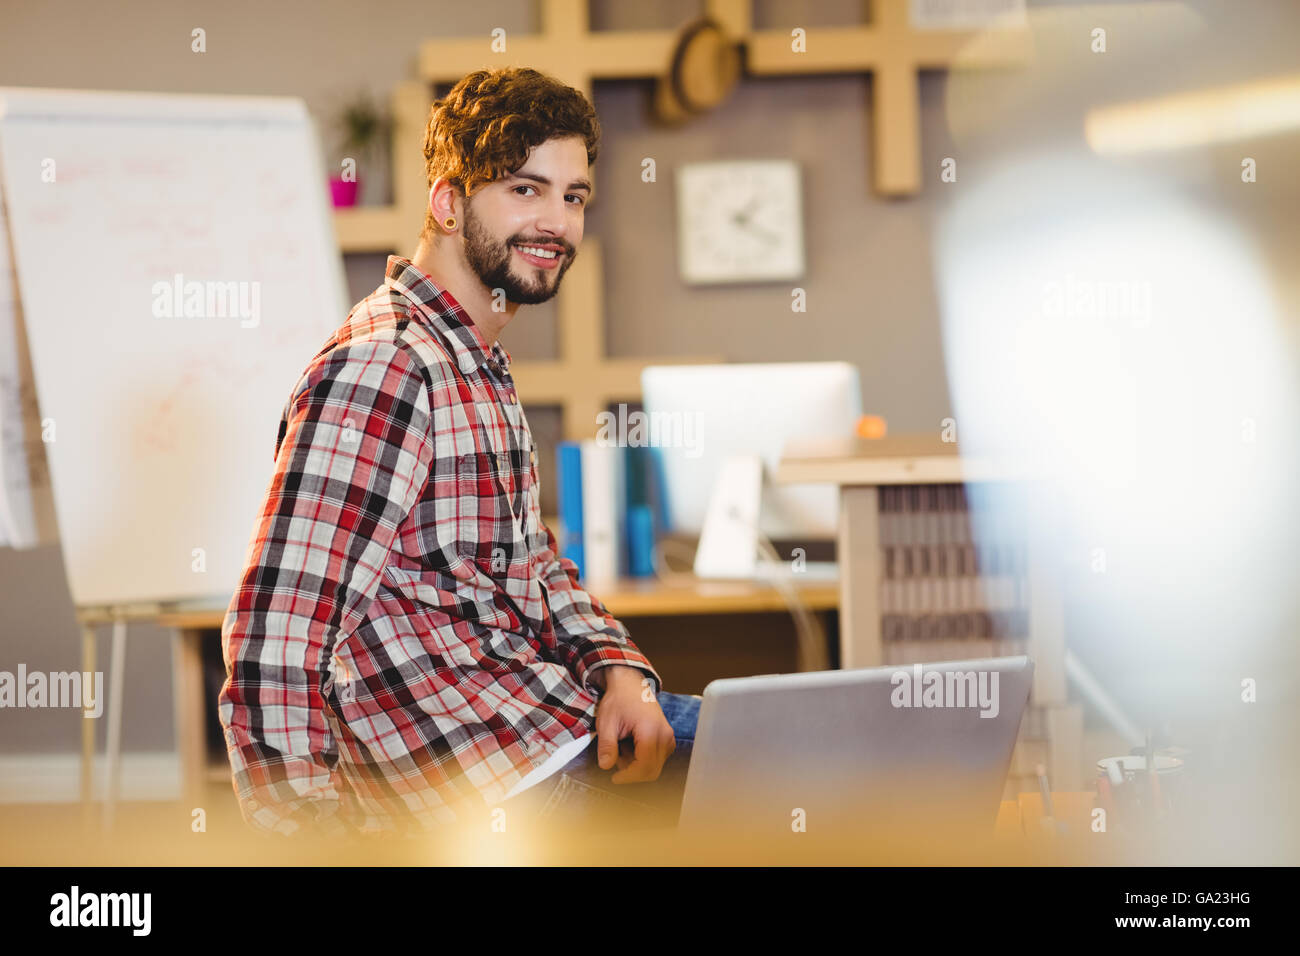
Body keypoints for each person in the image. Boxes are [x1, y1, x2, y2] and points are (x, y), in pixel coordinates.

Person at [218, 67, 698, 839]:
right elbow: (279, 627)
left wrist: (622, 671)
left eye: (573, 197)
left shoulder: (472, 359)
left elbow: (531, 566)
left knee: (823, 760)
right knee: (839, 797)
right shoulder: (388, 366)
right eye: (524, 190)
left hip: (550, 729)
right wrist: (304, 841)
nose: (557, 221)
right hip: (495, 788)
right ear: (447, 203)